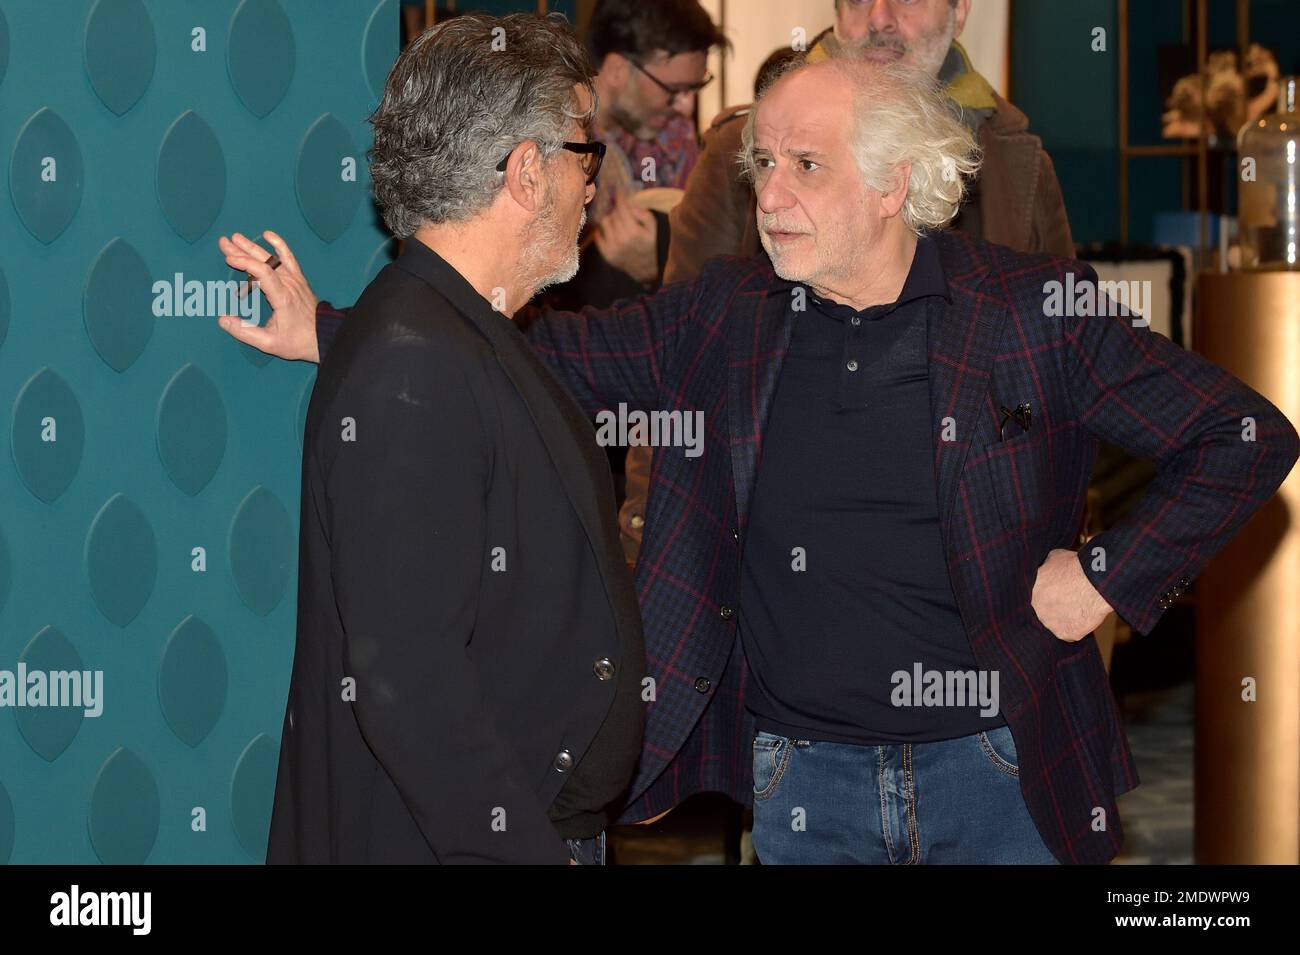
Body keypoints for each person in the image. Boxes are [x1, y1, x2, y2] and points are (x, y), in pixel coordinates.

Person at [221, 55, 1299, 863]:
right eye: (763, 164)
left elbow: (1246, 434)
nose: (768, 193)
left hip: (999, 774)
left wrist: (1107, 577)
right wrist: (338, 327)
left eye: (805, 167)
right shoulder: (728, 315)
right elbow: (528, 348)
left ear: (893, 186)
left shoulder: (1028, 314)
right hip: (799, 784)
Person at [230, 13, 646, 865]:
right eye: (582, 154)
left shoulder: (446, 331)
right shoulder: (413, 361)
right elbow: (410, 683)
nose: (590, 186)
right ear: (528, 169)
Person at [621, 0, 1076, 566]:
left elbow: (1062, 377)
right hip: (782, 547)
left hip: (969, 552)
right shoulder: (745, 146)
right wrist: (647, 534)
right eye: (857, 0)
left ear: (960, 11)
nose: (880, 18)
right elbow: (678, 360)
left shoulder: (1017, 161)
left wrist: (1059, 550)